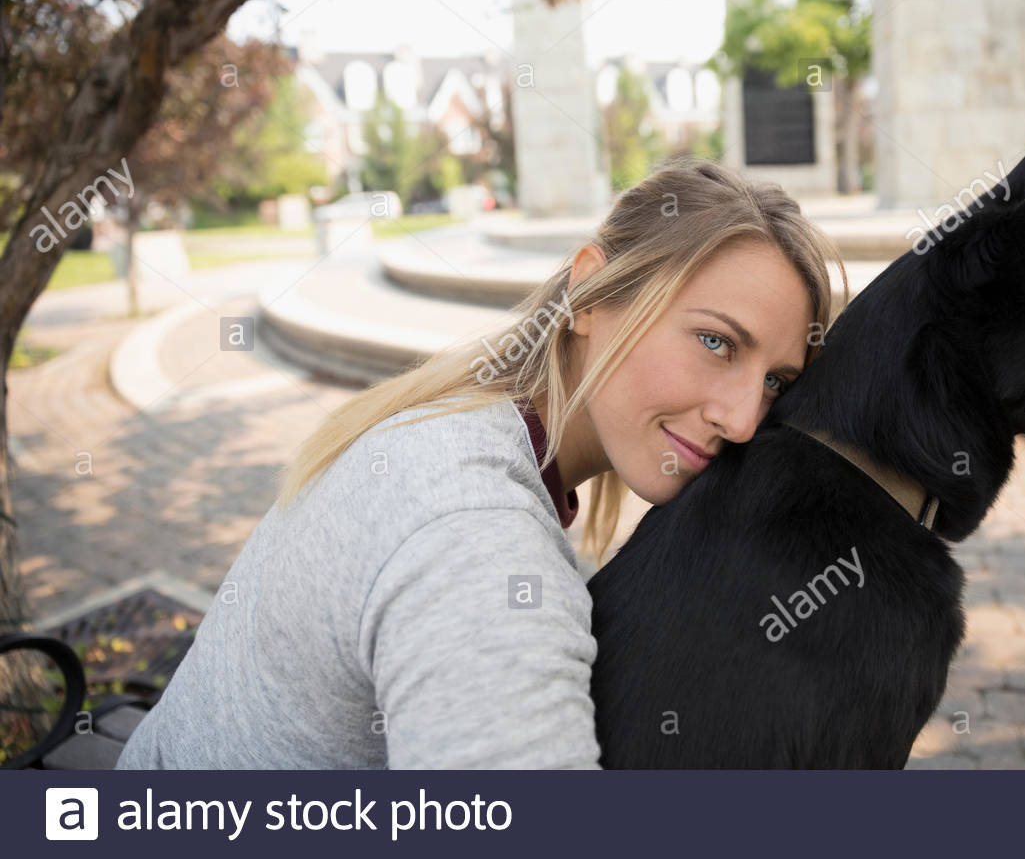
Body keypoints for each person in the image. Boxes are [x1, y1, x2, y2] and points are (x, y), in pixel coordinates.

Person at [114, 157, 848, 769]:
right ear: (588, 293)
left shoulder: (447, 422)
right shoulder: (482, 550)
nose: (745, 419)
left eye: (775, 381)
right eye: (717, 342)